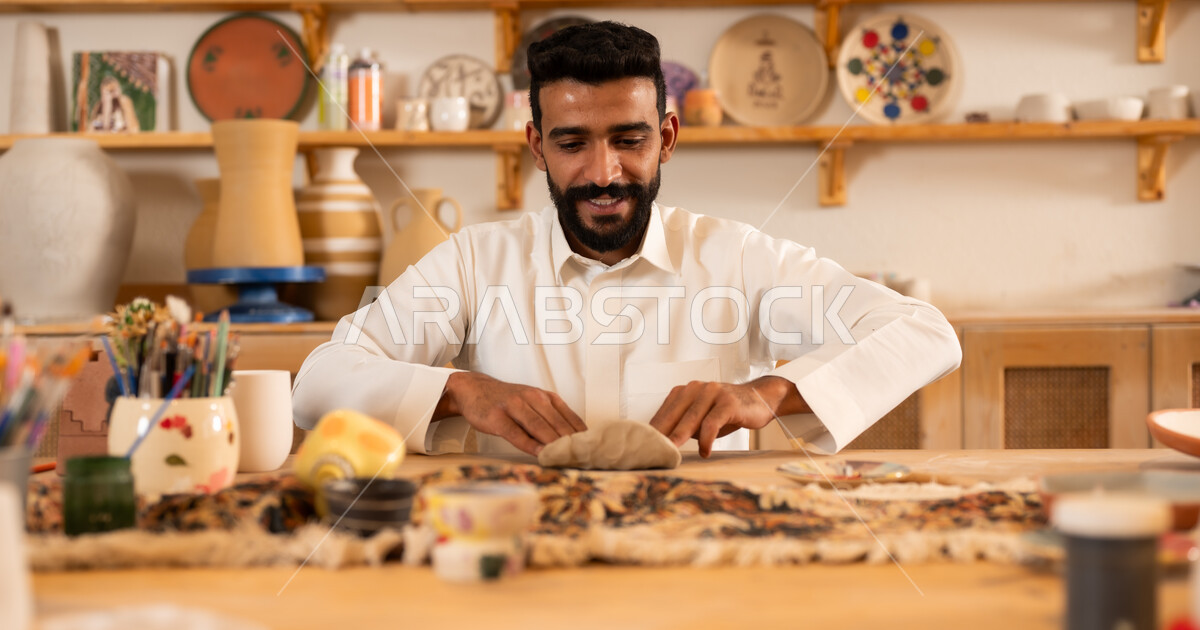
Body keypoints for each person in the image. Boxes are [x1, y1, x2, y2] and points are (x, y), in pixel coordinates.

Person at [292, 21, 961, 458]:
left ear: (666, 138)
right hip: (521, 554)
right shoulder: (475, 261)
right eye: (573, 144)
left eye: (629, 140)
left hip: (699, 554)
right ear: (537, 147)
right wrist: (460, 389)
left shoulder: (736, 257)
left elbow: (924, 332)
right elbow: (319, 381)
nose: (603, 173)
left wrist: (769, 393)